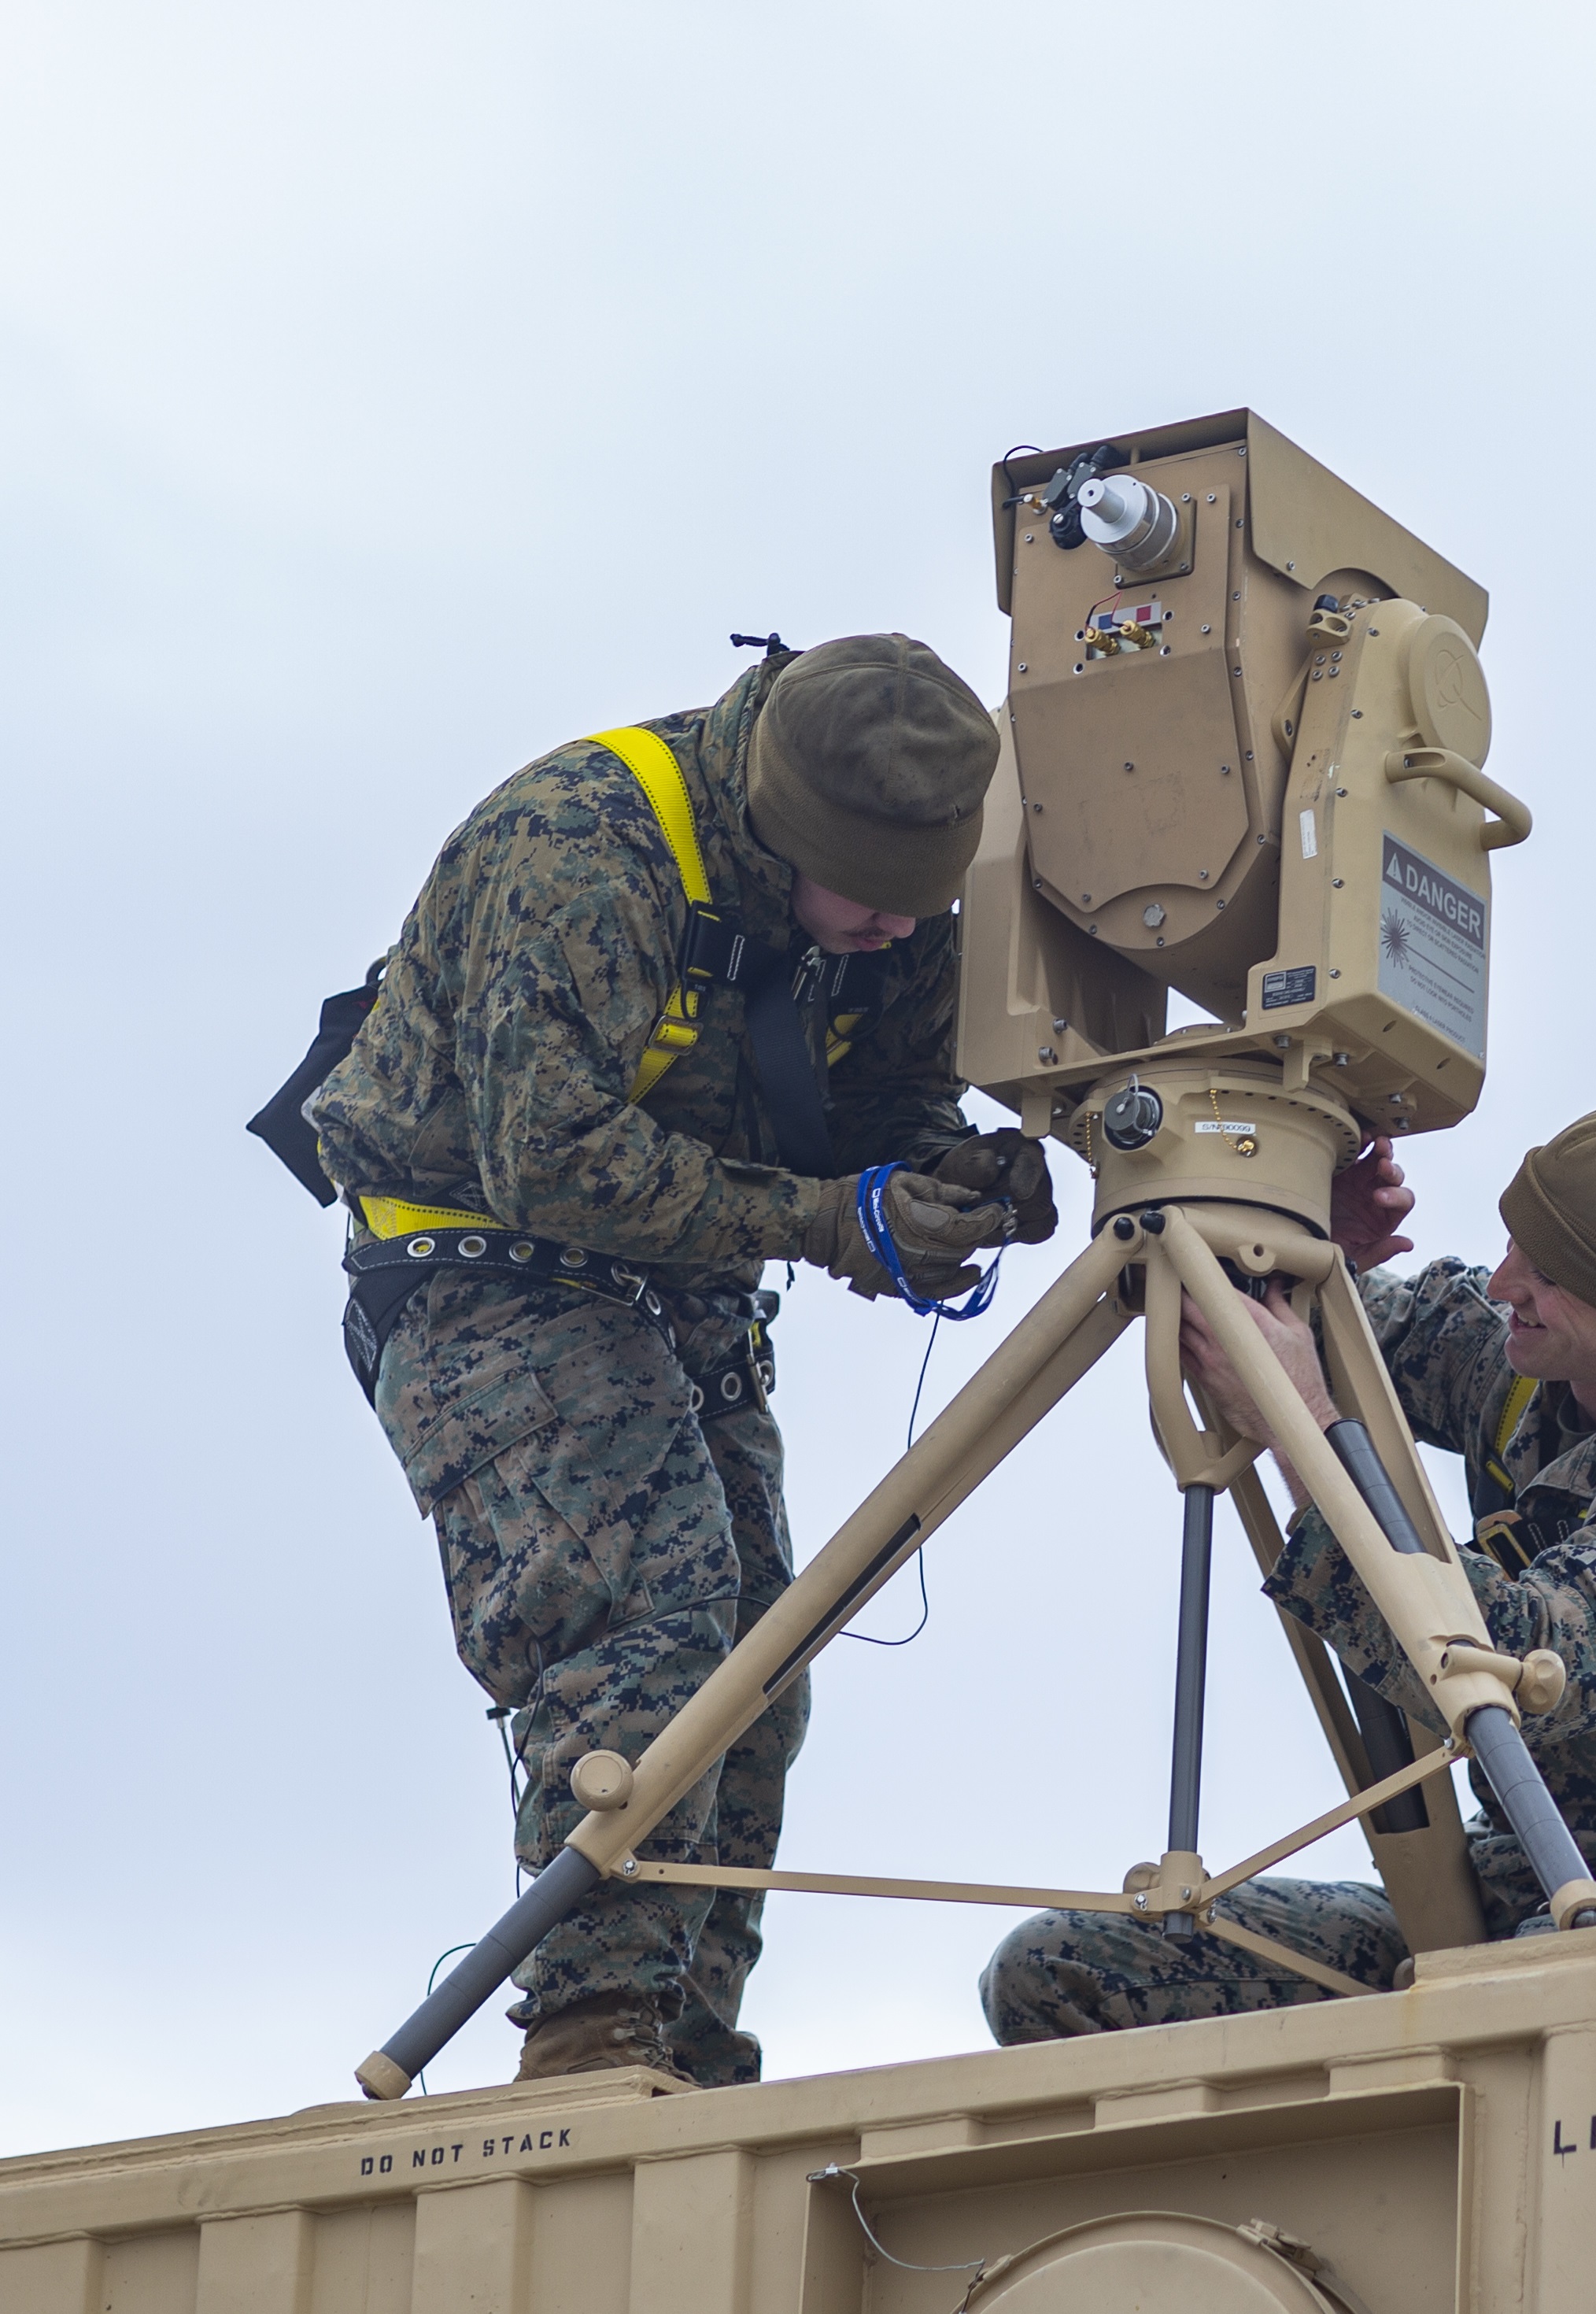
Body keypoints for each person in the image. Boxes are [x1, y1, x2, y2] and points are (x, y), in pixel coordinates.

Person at [309, 634, 1056, 2086]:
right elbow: (552, 1159)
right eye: (873, 901)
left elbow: (885, 1088)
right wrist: (840, 1225)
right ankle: (592, 2032)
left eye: (926, 904)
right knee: (647, 1616)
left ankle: (685, 2041)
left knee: (760, 1662)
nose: (901, 935)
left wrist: (942, 1172)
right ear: (780, 837)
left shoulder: (890, 904)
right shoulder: (579, 851)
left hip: (682, 1272)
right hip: (479, 1253)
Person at [980, 1100, 1596, 2042]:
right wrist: (1300, 1233)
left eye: (1549, 1274)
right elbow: (1293, 1317)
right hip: (1505, 1884)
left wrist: (1300, 1428)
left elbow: (1502, 1668)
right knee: (1057, 1971)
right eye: (1516, 1243)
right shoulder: (1519, 1352)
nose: (1508, 1280)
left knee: (1503, 2049)